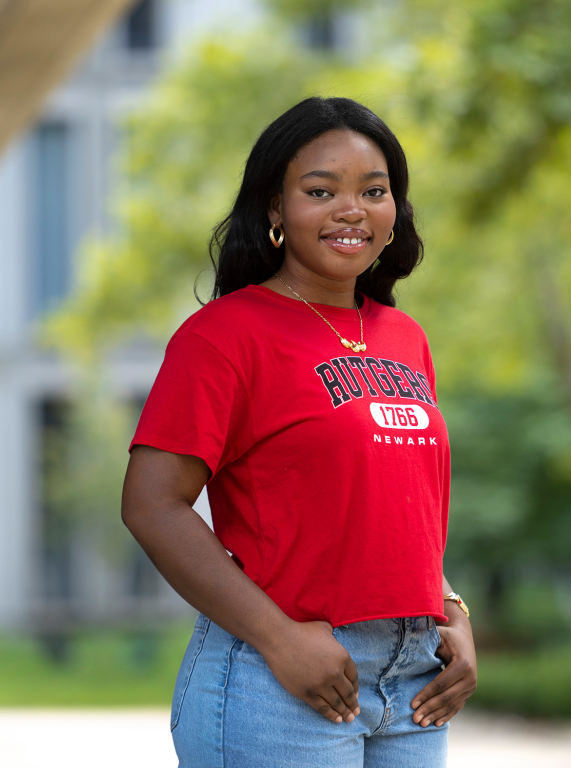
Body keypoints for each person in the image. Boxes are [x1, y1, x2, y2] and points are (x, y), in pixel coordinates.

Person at [121, 96, 477, 768]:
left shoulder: (404, 338)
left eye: (375, 191)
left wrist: (449, 605)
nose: (352, 210)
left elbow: (387, 505)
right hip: (280, 676)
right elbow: (151, 505)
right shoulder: (224, 336)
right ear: (275, 209)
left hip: (413, 680)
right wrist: (280, 639)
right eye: (322, 191)